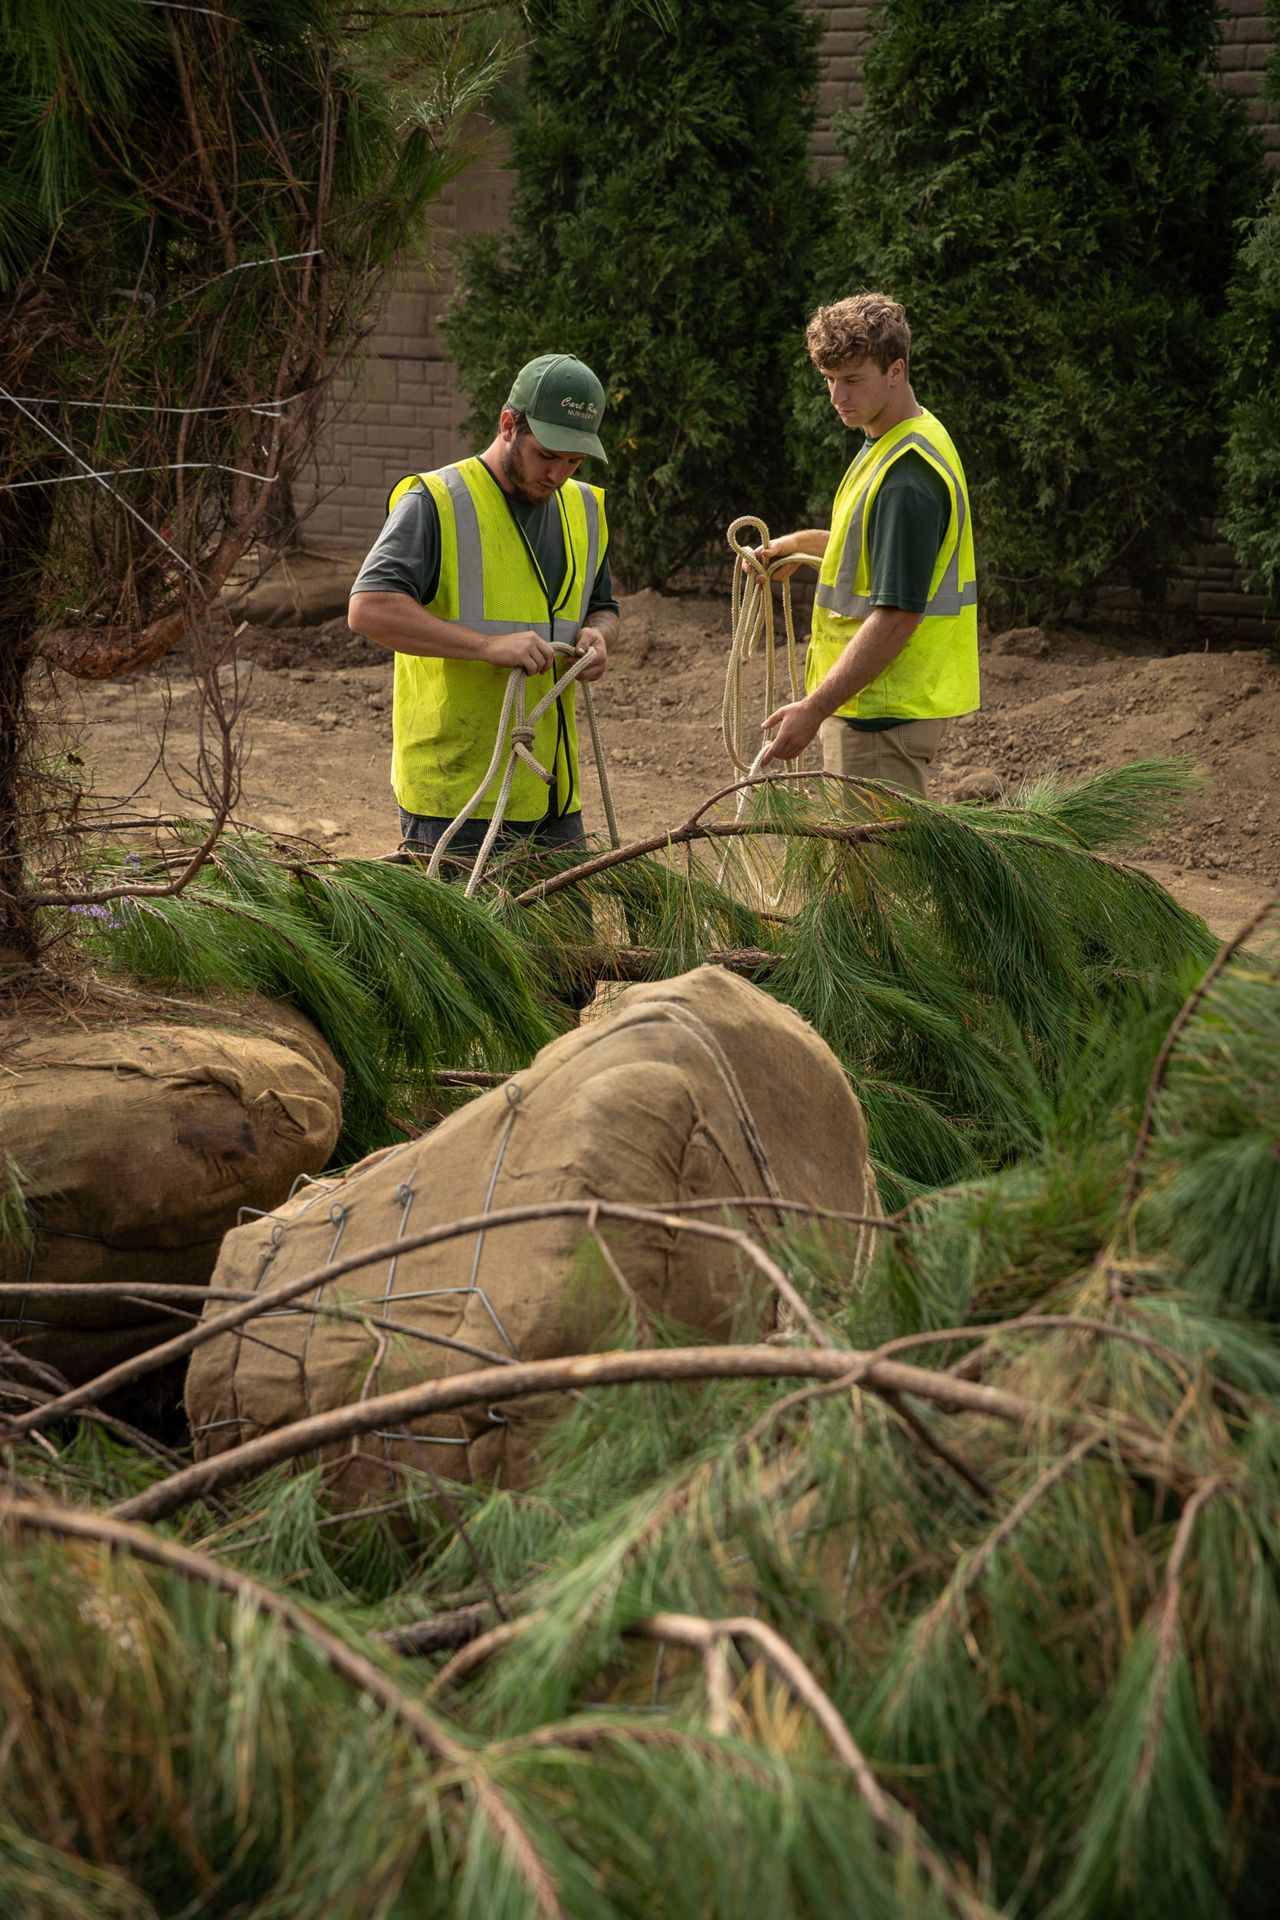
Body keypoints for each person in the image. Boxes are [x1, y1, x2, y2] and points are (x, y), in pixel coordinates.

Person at [348, 353, 619, 855]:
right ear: (508, 424)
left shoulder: (584, 508)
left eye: (574, 461)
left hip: (551, 790)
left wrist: (599, 636)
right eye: (548, 455)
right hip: (457, 793)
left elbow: (603, 606)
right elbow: (369, 608)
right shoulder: (436, 500)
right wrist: (488, 645)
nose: (559, 473)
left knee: (565, 936)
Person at [755, 292, 979, 797]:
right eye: (830, 380)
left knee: (874, 876)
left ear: (895, 371)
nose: (837, 397)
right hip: (875, 709)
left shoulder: (906, 477)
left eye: (853, 380)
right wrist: (800, 546)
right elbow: (878, 553)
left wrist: (813, 708)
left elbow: (897, 613)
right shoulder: (899, 438)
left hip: (879, 717)